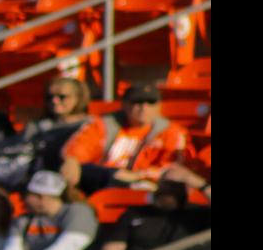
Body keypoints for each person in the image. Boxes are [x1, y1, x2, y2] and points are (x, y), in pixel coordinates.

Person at [59, 81, 194, 194]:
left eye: (150, 102)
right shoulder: (106, 124)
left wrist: (137, 176)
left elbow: (173, 168)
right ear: (124, 104)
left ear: (159, 106)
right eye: (137, 102)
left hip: (146, 185)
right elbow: (79, 146)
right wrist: (72, 160)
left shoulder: (172, 132)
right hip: (105, 178)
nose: (143, 108)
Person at [0, 76, 90, 190]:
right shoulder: (37, 126)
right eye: (49, 97)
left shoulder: (90, 126)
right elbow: (15, 146)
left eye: (62, 97)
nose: (54, 101)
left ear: (78, 98)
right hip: (34, 180)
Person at [98, 164, 212, 250]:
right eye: (165, 184)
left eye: (175, 186)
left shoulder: (198, 215)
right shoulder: (134, 213)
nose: (168, 190)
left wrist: (198, 182)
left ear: (189, 189)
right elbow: (112, 249)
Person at [3, 169, 96, 250]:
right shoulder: (23, 220)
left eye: (26, 195)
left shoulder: (79, 212)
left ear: (41, 197)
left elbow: (69, 247)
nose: (22, 200)